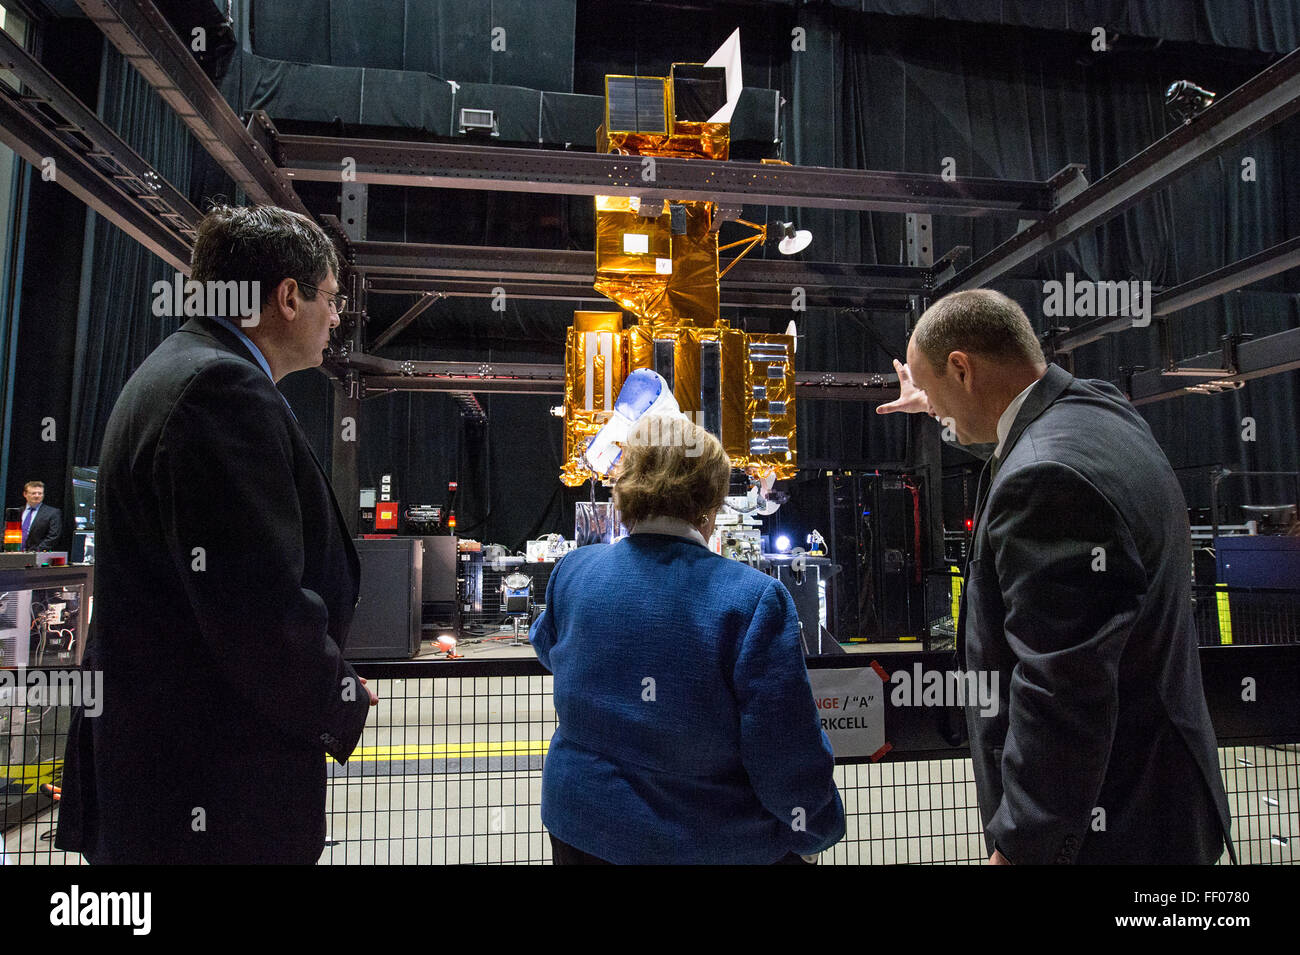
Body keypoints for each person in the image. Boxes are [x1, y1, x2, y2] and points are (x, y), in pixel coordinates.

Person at [56, 205, 376, 864]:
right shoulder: (219, 387)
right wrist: (336, 691)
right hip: (208, 793)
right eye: (331, 298)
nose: (337, 318)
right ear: (288, 296)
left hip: (167, 781)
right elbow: (251, 603)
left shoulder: (183, 368)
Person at [878, 288, 1233, 865]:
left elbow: (1063, 688)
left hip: (1109, 830)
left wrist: (1023, 844)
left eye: (935, 389)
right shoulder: (1100, 409)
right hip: (1166, 803)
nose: (935, 410)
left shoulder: (1044, 480)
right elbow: (1032, 448)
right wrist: (938, 403)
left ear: (962, 368)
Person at [530, 414, 845, 864]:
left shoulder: (574, 572)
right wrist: (816, 828)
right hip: (709, 843)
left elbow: (549, 650)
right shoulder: (753, 599)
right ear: (710, 502)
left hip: (580, 827)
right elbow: (783, 746)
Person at [18, 481, 62, 551]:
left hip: (37, 555)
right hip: (14, 554)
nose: (37, 496)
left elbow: (53, 536)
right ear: (25, 494)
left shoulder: (52, 513)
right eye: (33, 493)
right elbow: (6, 532)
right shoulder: (18, 512)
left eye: (40, 493)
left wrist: (36, 552)